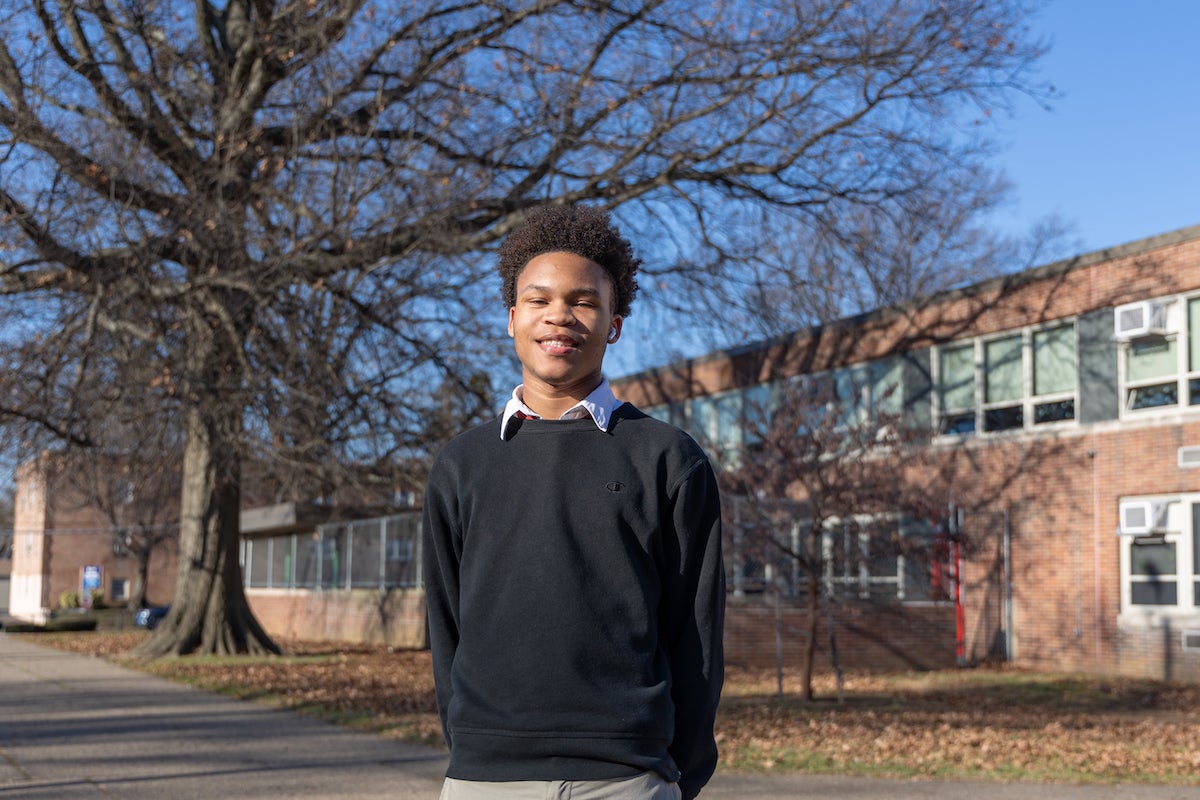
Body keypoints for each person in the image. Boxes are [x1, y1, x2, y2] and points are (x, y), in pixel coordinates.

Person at [422, 204, 725, 800]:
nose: (558, 315)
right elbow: (446, 626)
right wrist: (471, 748)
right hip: (486, 777)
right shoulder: (461, 465)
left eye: (583, 301)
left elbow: (697, 635)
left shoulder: (668, 458)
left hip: (627, 776)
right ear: (512, 318)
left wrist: (675, 775)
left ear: (614, 324)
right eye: (538, 300)